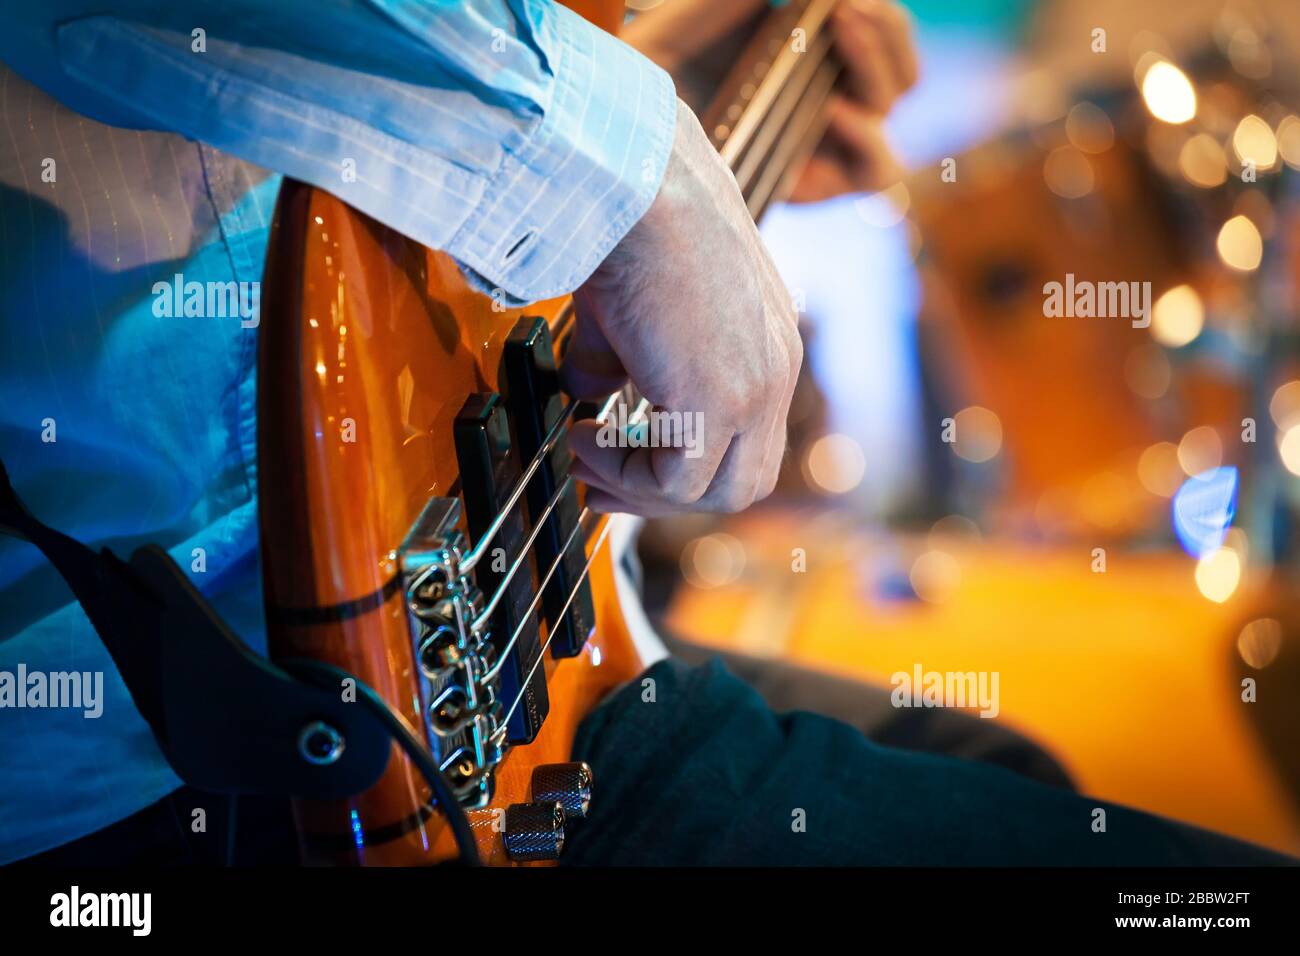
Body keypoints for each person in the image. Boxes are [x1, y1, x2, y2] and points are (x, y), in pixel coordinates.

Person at [0, 0, 1290, 867]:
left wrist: (672, 80)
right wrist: (639, 163)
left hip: (496, 605)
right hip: (177, 718)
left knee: (996, 756)